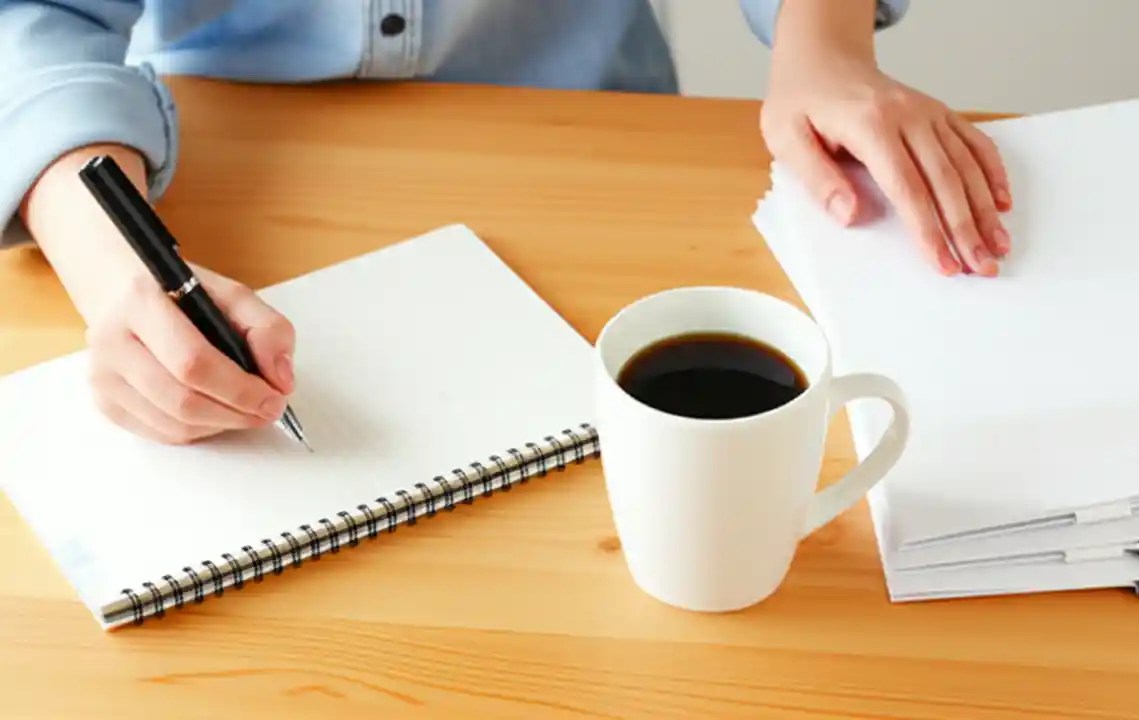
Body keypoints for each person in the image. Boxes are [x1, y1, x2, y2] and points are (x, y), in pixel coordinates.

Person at [0, 0, 1011, 446]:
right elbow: (35, 20)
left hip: (595, 156)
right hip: (209, 172)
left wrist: (821, 43)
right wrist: (115, 273)